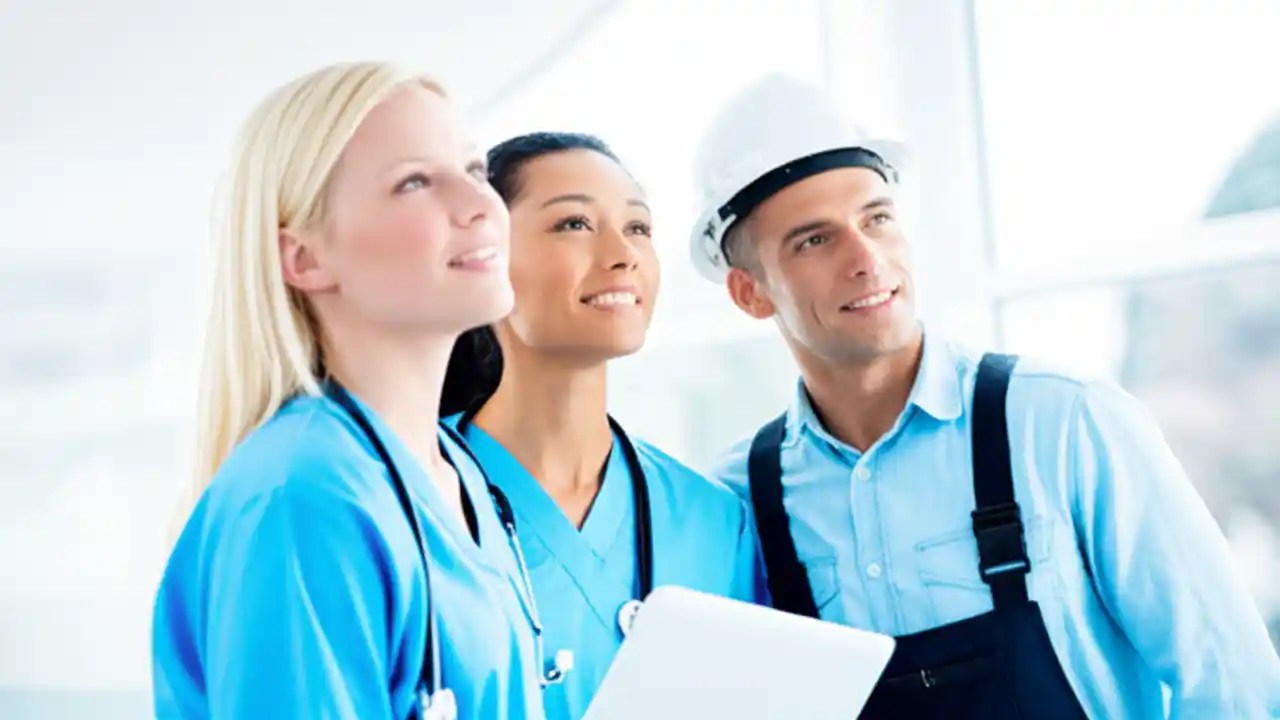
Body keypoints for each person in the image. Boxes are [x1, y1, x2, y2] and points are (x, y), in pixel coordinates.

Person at [687, 75, 1280, 718]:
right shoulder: (743, 502)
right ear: (750, 292)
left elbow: (1233, 686)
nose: (867, 260)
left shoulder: (1062, 425)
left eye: (877, 218)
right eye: (815, 240)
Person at [152, 62, 549, 719]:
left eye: (475, 170)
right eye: (415, 181)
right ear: (306, 258)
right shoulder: (301, 499)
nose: (481, 203)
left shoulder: (460, 474)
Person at [441, 132, 761, 720]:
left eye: (638, 227)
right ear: (484, 258)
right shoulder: (412, 492)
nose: (623, 253)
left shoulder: (713, 521)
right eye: (574, 225)